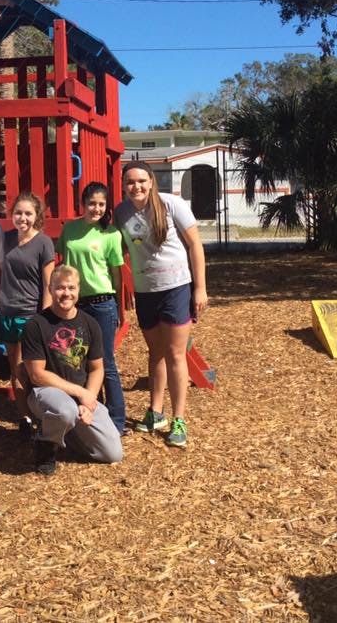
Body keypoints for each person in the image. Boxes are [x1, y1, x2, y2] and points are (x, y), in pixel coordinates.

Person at [113, 161, 208, 448]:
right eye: (130, 182)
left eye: (141, 181)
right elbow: (117, 248)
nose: (136, 187)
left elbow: (195, 245)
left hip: (176, 287)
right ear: (123, 185)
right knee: (155, 353)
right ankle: (156, 412)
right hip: (146, 290)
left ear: (151, 181)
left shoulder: (171, 204)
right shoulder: (121, 212)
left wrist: (200, 288)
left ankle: (179, 418)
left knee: (175, 354)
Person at [20, 265, 124, 475]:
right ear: (50, 289)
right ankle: (46, 444)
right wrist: (80, 392)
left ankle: (65, 433)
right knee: (65, 410)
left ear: (78, 290)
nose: (66, 293)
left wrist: (88, 401)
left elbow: (97, 369)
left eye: (71, 288)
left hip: (81, 397)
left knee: (113, 454)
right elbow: (36, 374)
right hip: (46, 393)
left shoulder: (90, 324)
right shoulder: (36, 325)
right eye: (60, 288)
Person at [57, 181, 128, 436]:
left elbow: (116, 274)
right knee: (78, 360)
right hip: (76, 304)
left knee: (105, 361)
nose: (96, 209)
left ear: (107, 207)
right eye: (91, 203)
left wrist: (119, 307)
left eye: (101, 204)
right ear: (83, 204)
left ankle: (117, 420)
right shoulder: (70, 229)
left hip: (102, 303)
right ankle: (89, 413)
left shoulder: (111, 234)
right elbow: (62, 262)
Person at [0, 192, 55, 438]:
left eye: (28, 213)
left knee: (30, 368)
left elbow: (48, 283)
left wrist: (46, 317)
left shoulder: (43, 243)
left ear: (36, 216)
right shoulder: (6, 239)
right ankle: (25, 417)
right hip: (6, 311)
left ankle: (40, 414)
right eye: (18, 213)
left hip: (30, 313)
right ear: (12, 214)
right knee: (15, 367)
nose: (23, 218)